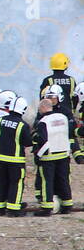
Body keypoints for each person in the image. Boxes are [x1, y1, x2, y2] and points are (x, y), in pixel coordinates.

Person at [32, 86, 79, 215]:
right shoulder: (61, 116)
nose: (51, 100)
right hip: (62, 152)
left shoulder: (61, 114)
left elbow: (40, 136)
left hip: (50, 154)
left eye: (52, 97)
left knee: (52, 180)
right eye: (48, 97)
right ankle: (66, 204)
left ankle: (48, 207)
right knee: (59, 179)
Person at [0, 95, 33, 216]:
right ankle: (14, 208)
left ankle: (0, 207)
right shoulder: (22, 125)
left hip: (0, 158)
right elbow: (27, 142)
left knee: (1, 182)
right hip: (15, 160)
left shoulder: (0, 121)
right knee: (16, 182)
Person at [39, 53, 77, 120]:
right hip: (68, 114)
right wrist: (73, 110)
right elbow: (75, 98)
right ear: (65, 64)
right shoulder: (71, 80)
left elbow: (42, 99)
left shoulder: (48, 80)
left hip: (51, 115)